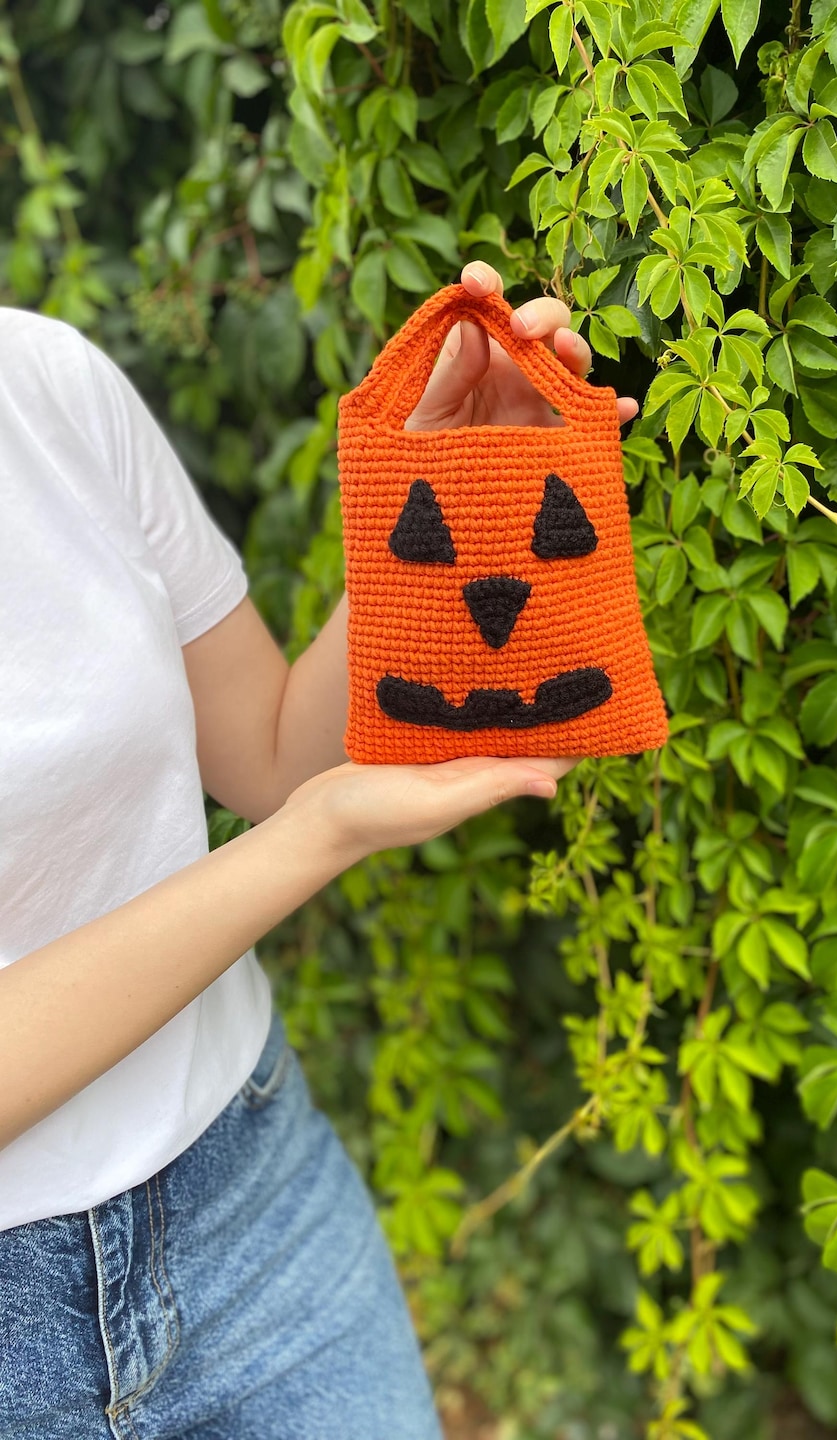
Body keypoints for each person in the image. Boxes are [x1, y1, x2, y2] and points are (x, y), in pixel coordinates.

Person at [0, 261, 638, 1440]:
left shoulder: (43, 385)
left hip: (251, 1200)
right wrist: (307, 846)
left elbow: (272, 754)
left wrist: (444, 481)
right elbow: (306, 812)